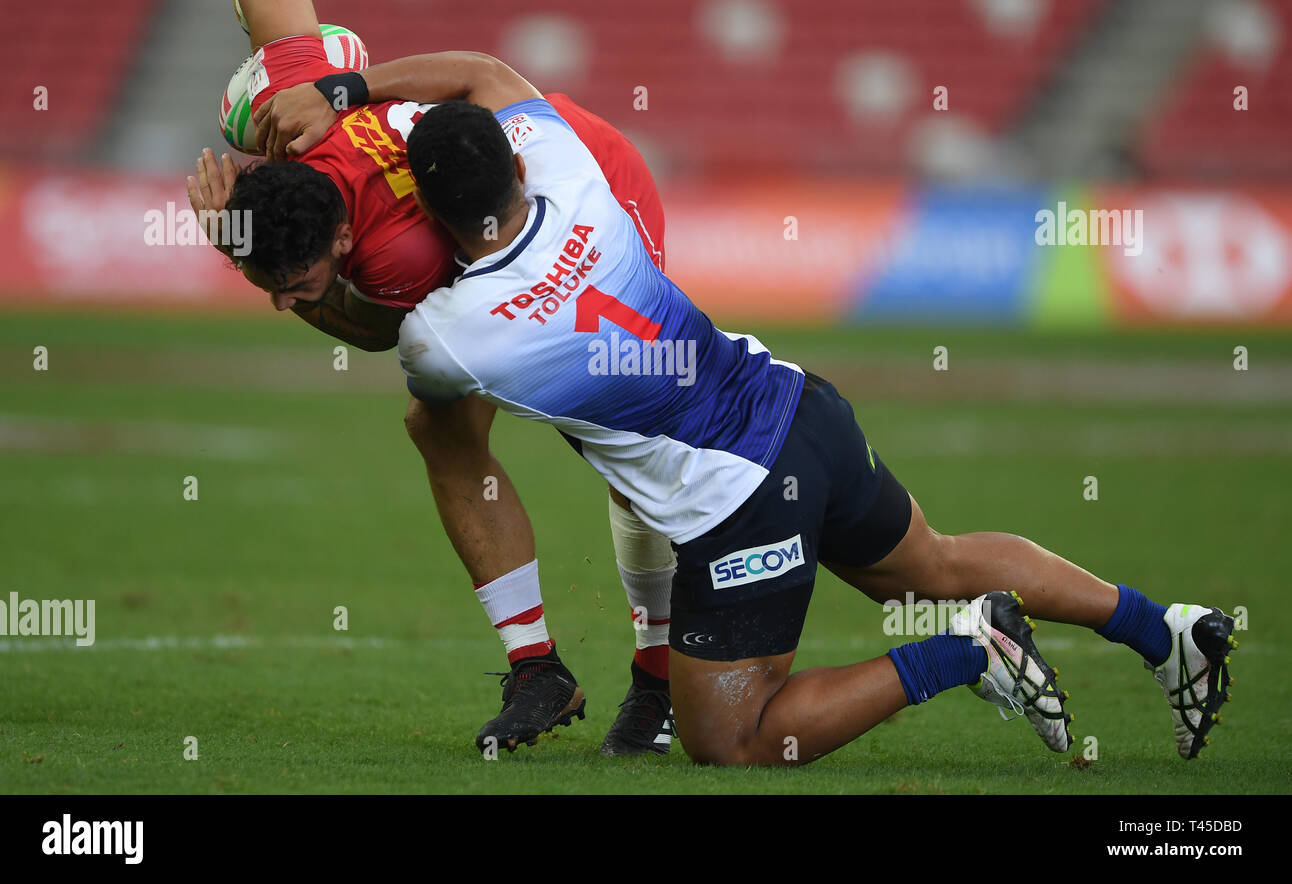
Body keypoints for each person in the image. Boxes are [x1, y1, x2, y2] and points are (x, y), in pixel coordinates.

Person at [349, 49, 1236, 765]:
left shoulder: (449, 335)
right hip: (800, 405)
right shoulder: (567, 168)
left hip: (737, 500)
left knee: (730, 738)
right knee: (937, 559)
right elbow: (485, 72)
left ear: (427, 210)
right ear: (514, 159)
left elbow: (374, 329)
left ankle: (968, 651)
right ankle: (1161, 627)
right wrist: (349, 86)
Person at [185, 0, 676, 756]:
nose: (282, 301)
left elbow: (379, 332)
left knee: (628, 444)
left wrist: (241, 262)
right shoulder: (296, 118)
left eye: (296, 285)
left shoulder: (393, 261)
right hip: (478, 224)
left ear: (343, 240)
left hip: (591, 196)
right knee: (439, 427)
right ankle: (538, 670)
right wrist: (293, 74)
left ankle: (656, 684)